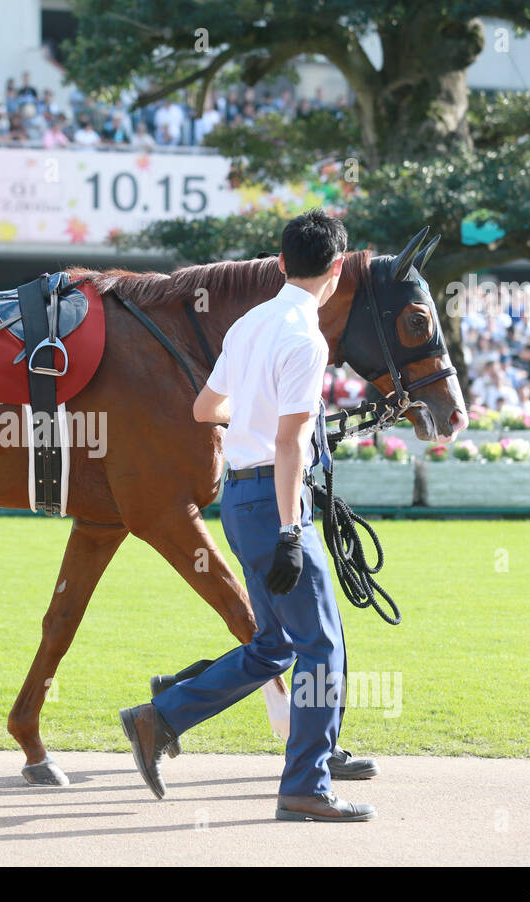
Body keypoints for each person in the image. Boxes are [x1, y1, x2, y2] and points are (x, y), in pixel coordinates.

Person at [119, 209, 377, 822]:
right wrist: (290, 531)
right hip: (276, 504)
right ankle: (306, 785)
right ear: (337, 269)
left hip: (240, 499)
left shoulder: (248, 323)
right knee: (322, 648)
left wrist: (259, 422)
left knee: (275, 644)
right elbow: (288, 444)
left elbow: (206, 409)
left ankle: (161, 716)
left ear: (281, 263)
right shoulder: (307, 338)